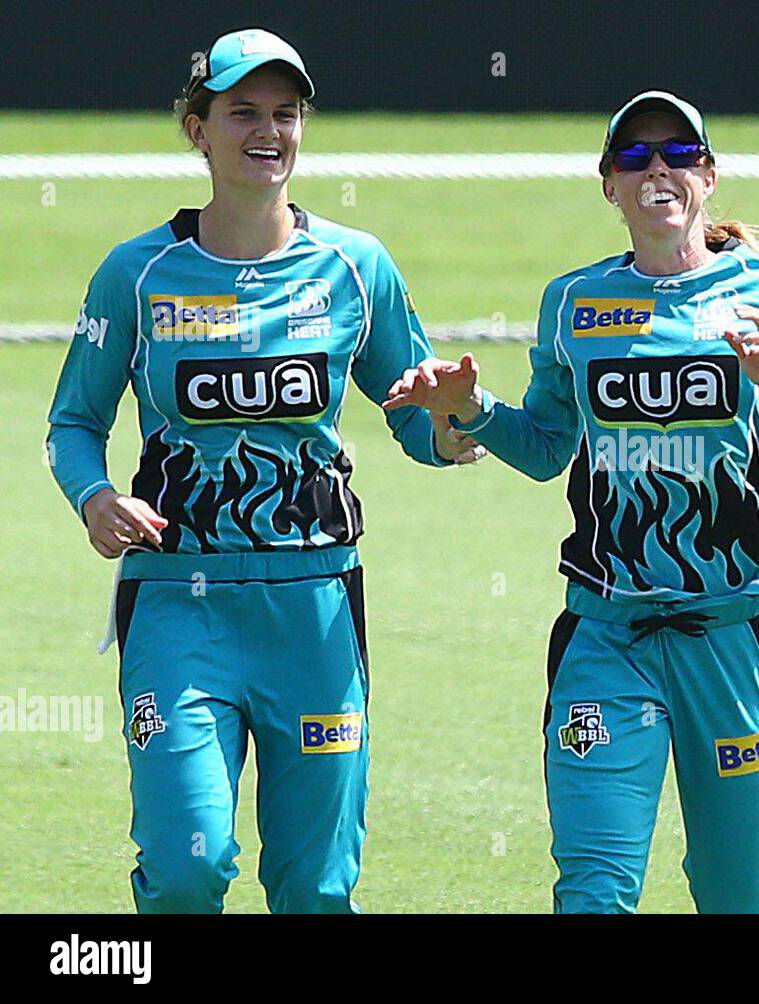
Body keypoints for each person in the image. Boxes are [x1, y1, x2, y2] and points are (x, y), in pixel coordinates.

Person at [384, 91, 759, 913]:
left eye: (677, 155)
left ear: (708, 176)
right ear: (609, 184)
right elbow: (545, 450)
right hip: (606, 639)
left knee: (736, 896)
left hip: (728, 638)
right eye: (635, 157)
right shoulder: (574, 303)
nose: (657, 171)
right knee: (594, 895)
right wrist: (471, 410)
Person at [45, 28, 477, 913]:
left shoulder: (357, 267)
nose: (267, 132)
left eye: (286, 113)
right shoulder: (137, 273)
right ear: (198, 130)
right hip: (178, 607)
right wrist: (95, 498)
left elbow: (418, 422)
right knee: (186, 868)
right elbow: (72, 423)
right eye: (242, 112)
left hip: (314, 610)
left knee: (316, 888)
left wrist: (456, 423)